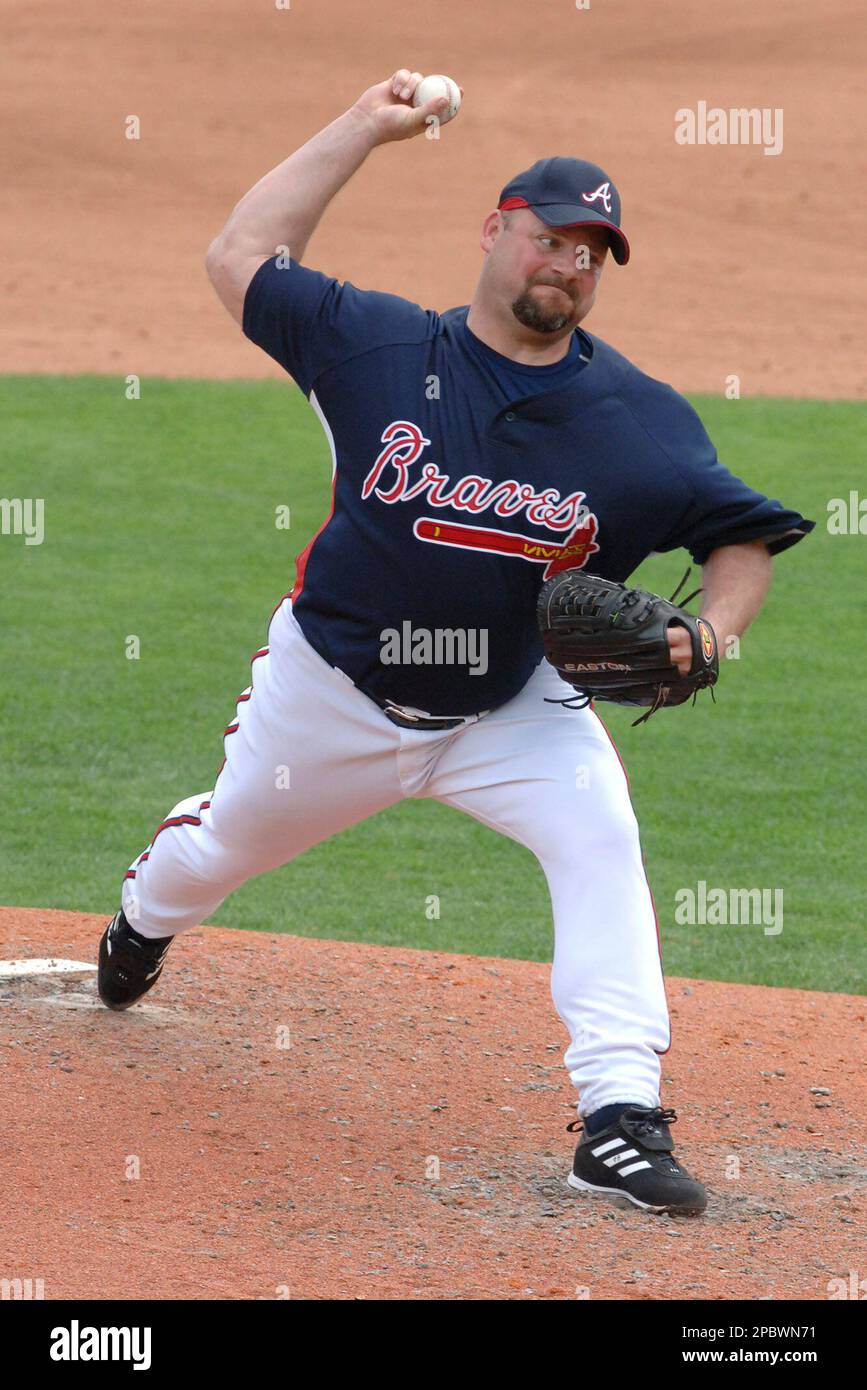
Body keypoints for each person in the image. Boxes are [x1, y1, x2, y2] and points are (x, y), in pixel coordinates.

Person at [97, 70, 814, 1215]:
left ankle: (619, 1118)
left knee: (601, 836)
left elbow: (747, 539)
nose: (570, 264)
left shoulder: (640, 422)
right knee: (219, 848)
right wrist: (367, 126)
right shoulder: (371, 346)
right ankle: (141, 924)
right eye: (552, 237)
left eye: (594, 252)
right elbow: (241, 250)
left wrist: (713, 639)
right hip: (330, 696)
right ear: (496, 230)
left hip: (515, 710)